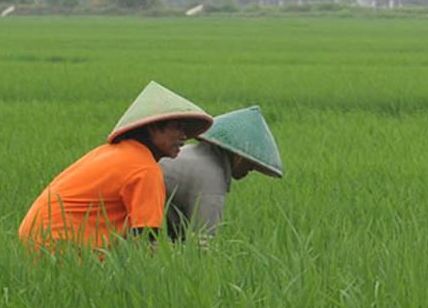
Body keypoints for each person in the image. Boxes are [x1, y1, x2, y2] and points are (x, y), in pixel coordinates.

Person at [18, 81, 213, 250]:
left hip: (37, 239)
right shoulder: (145, 170)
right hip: (62, 248)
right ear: (153, 126)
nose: (184, 137)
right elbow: (146, 245)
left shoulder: (111, 152)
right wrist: (189, 251)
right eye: (177, 127)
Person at [159, 105, 284, 244]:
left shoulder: (189, 154)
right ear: (238, 156)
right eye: (250, 164)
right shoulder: (211, 179)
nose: (250, 170)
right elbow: (204, 243)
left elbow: (178, 233)